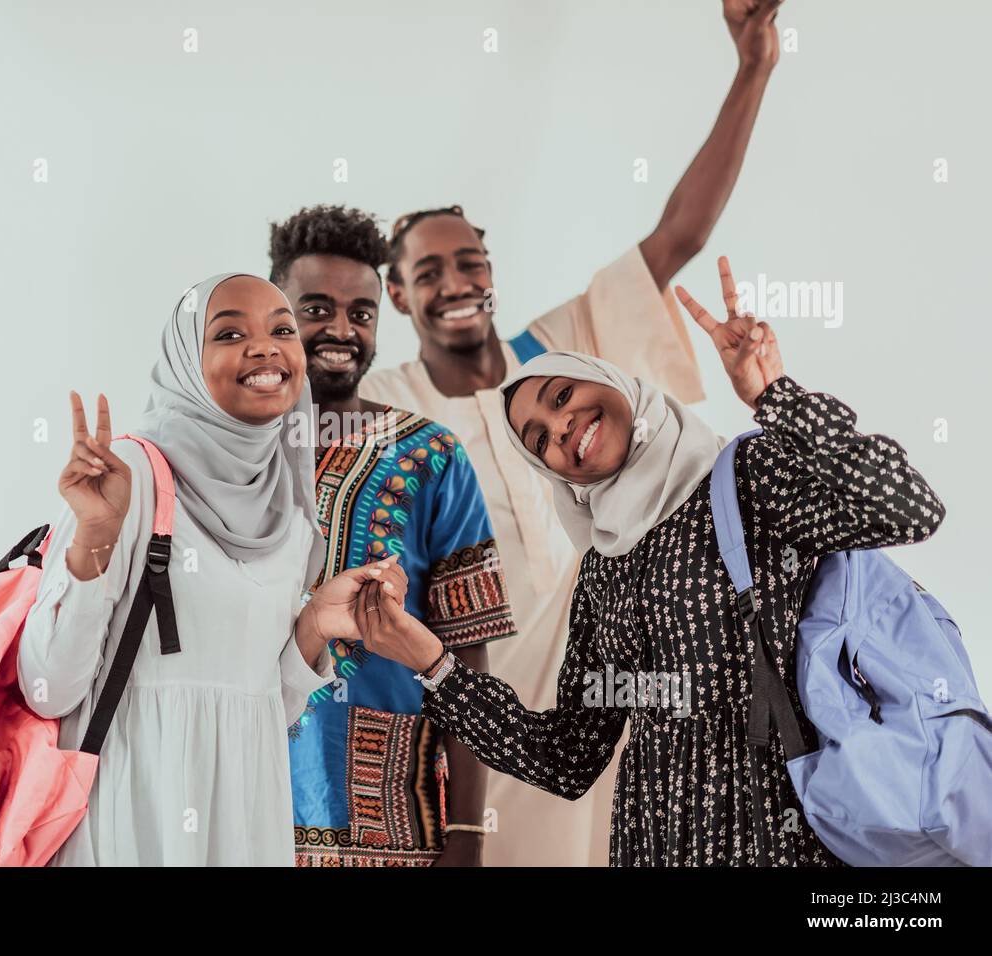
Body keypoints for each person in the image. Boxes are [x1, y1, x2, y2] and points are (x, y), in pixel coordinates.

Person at [359, 0, 788, 866]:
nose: (456, 282)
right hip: (487, 704)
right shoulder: (384, 402)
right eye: (428, 270)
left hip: (615, 677)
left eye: (470, 260)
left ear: (493, 268)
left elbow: (679, 236)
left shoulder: (561, 352)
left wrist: (753, 67)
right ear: (398, 295)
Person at [351, 256, 946, 865]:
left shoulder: (745, 482)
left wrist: (773, 395)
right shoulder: (604, 568)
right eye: (538, 440)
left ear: (611, 380)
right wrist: (434, 663)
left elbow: (906, 508)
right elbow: (567, 757)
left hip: (782, 842)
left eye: (563, 395)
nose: (560, 427)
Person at [17, 273, 408, 866]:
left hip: (242, 819)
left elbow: (260, 707)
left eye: (282, 329)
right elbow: (48, 689)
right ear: (184, 363)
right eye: (229, 333)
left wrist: (315, 627)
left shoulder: (290, 507)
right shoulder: (130, 476)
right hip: (134, 814)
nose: (265, 347)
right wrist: (95, 536)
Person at [269, 205, 517, 866]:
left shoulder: (431, 455)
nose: (341, 330)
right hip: (242, 808)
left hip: (393, 825)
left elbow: (468, 657)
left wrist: (468, 837)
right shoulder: (223, 454)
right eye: (316, 309)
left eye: (362, 312)